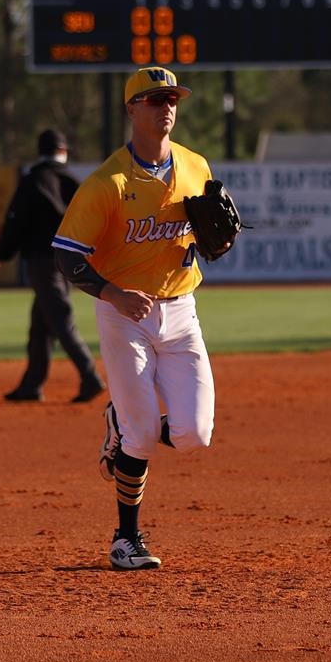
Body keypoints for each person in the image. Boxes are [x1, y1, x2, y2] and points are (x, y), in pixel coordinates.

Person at [51, 67, 217, 570]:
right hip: (124, 316)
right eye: (151, 99)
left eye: (171, 98)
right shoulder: (108, 182)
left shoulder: (195, 166)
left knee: (194, 434)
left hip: (182, 311)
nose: (165, 107)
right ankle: (127, 539)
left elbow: (210, 234)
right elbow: (66, 254)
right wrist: (112, 294)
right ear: (131, 110)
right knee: (143, 435)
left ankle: (121, 423)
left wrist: (218, 240)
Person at [0, 128, 104, 404]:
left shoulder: (34, 180)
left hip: (43, 261)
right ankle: (31, 384)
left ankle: (90, 378)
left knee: (60, 320)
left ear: (39, 152)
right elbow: (92, 218)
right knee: (41, 324)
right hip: (69, 259)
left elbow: (16, 221)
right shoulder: (73, 181)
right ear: (63, 152)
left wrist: (1, 254)